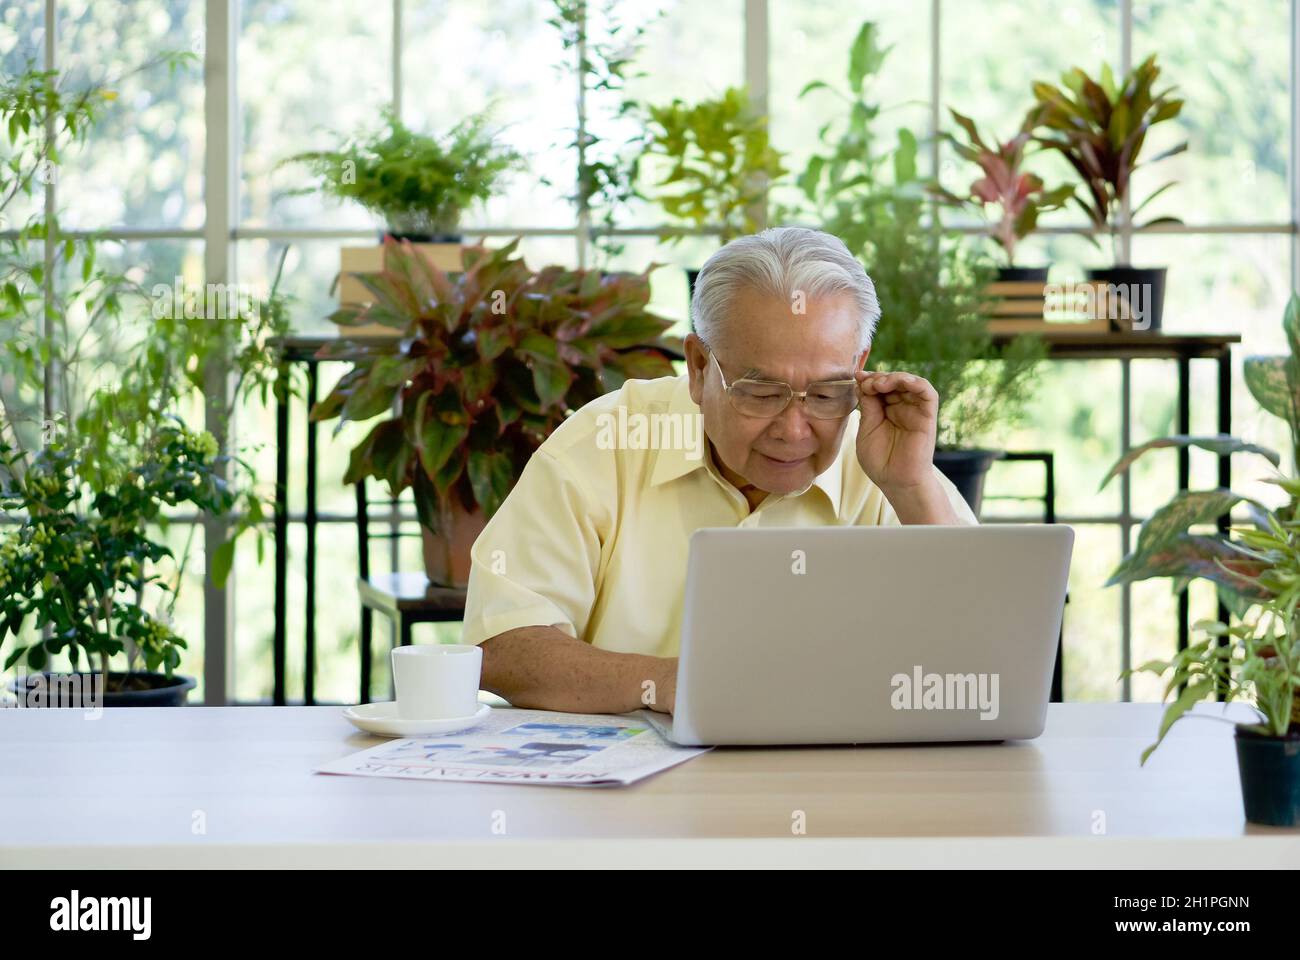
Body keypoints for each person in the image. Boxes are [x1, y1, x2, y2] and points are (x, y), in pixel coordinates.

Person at [460, 226, 977, 716]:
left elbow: (980, 652)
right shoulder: (605, 443)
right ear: (699, 367)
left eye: (824, 394)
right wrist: (674, 683)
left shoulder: (886, 458)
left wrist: (912, 490)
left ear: (861, 364)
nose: (794, 430)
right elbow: (504, 645)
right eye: (760, 393)